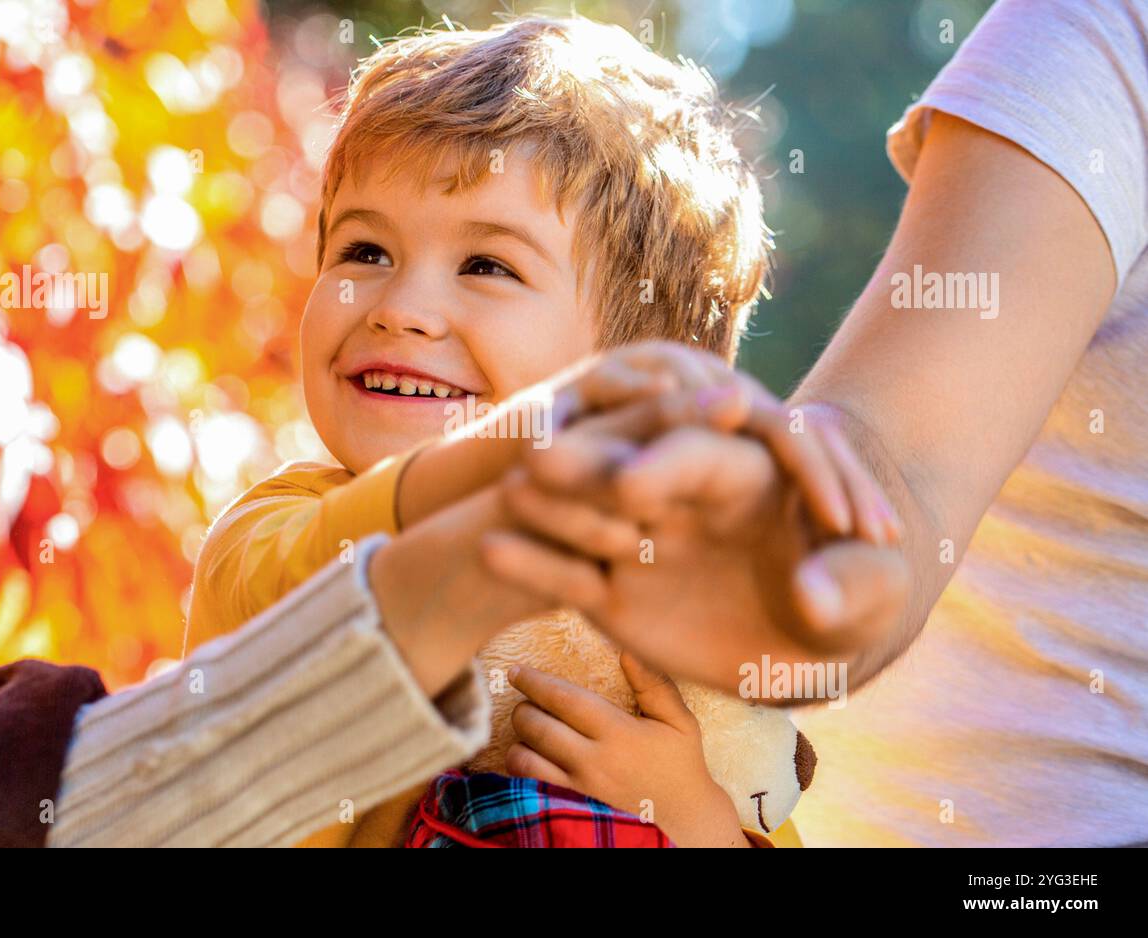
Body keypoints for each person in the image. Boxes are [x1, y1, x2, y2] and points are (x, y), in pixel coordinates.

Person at [184, 16, 894, 847]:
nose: (401, 309)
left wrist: (695, 816)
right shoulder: (273, 536)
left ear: (639, 359)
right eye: (364, 250)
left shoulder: (664, 617)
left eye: (487, 266)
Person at [488, 0, 1148, 847]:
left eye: (486, 265)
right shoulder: (1107, 32)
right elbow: (896, 453)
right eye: (363, 255)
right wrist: (770, 525)